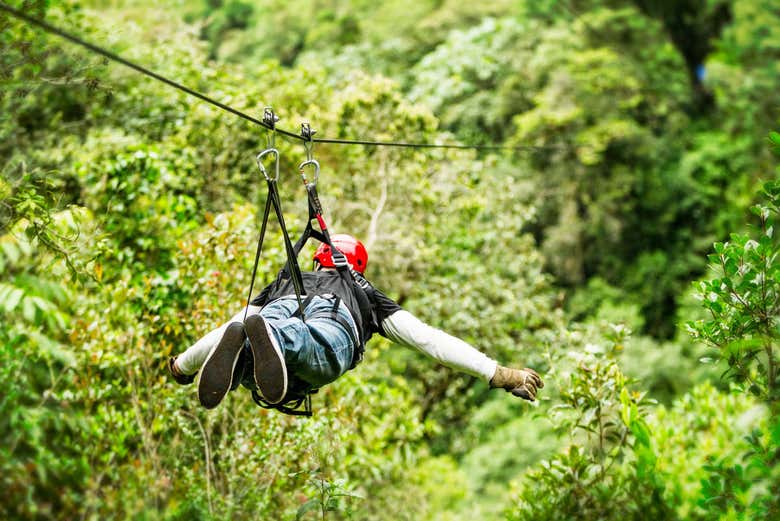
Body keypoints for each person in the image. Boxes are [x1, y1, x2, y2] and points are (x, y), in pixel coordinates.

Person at [168, 234, 544, 410]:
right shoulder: (364, 292)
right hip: (332, 323)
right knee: (306, 339)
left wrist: (183, 366)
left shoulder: (287, 280)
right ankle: (271, 340)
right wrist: (498, 373)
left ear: (317, 260)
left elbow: (230, 325)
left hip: (278, 308)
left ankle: (253, 350)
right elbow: (429, 340)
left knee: (250, 328)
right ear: (358, 265)